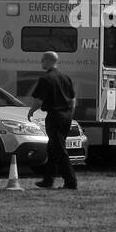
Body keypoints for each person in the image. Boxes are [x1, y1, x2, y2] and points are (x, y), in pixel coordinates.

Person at [26, 51, 78, 190]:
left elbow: (39, 100)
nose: (41, 62)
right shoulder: (65, 77)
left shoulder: (46, 78)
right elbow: (73, 99)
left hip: (55, 116)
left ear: (49, 61)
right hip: (66, 116)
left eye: (42, 60)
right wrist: (70, 114)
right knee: (53, 148)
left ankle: (71, 181)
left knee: (59, 149)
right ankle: (48, 179)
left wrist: (31, 111)